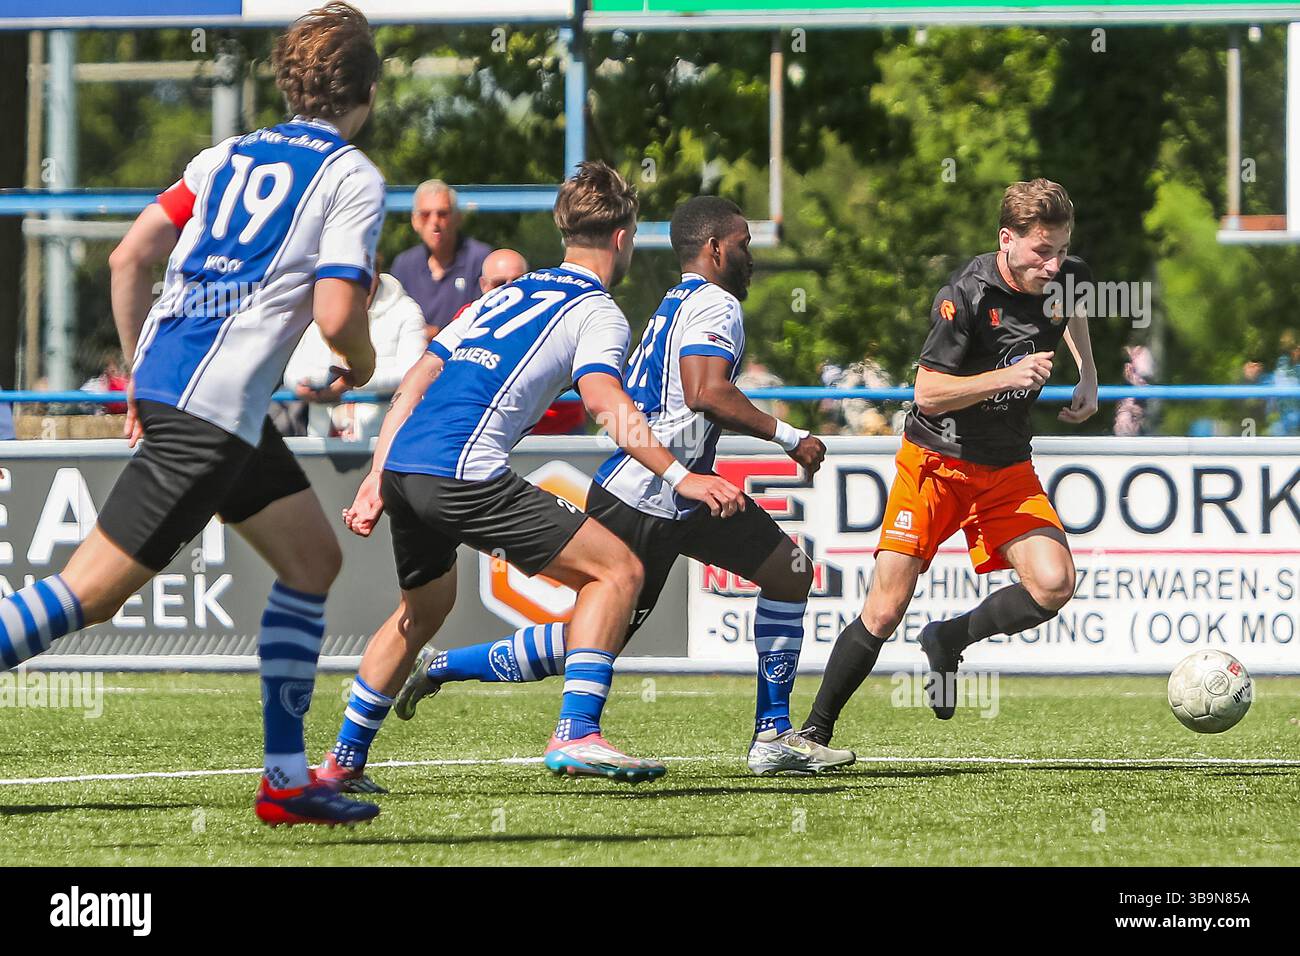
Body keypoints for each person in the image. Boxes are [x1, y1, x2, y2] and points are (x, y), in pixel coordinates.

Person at [0, 2, 386, 827]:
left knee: (313, 562)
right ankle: (285, 780)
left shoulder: (228, 155)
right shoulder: (352, 176)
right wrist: (362, 359)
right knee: (85, 595)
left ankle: (286, 780)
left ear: (291, 82)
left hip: (205, 401)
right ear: (370, 90)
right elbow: (333, 311)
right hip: (214, 414)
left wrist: (142, 372)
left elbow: (129, 253)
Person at [387, 196, 856, 779]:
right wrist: (790, 435)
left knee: (788, 571)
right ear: (714, 249)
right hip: (651, 494)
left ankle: (772, 734)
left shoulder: (677, 298)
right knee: (591, 637)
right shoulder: (716, 303)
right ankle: (446, 668)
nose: (750, 255)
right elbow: (704, 390)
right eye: (743, 243)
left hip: (681, 494)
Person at [316, 164, 745, 791]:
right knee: (618, 571)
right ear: (624, 238)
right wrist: (682, 476)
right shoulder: (598, 311)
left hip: (409, 463)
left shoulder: (505, 293)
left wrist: (380, 474)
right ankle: (578, 733)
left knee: (424, 608)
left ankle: (341, 764)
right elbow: (605, 403)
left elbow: (415, 382)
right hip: (463, 468)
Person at [801, 178, 1099, 743]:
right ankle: (813, 734)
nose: (1055, 264)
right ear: (1006, 239)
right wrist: (1007, 377)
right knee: (885, 610)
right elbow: (927, 392)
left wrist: (1087, 374)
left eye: (1061, 249)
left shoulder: (1069, 275)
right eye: (1042, 251)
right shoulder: (966, 293)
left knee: (1055, 583)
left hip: (1007, 466)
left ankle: (949, 639)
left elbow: (1075, 308)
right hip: (935, 463)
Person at [284, 265, 427, 440]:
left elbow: (415, 373)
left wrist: (348, 383)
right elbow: (291, 374)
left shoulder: (406, 311)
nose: (350, 286)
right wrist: (310, 386)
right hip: (321, 443)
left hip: (379, 444)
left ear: (375, 272)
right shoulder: (325, 313)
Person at [390, 180, 491, 337]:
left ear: (458, 218)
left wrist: (435, 334)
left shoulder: (481, 260)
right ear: (414, 221)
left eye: (443, 214)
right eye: (425, 215)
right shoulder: (404, 265)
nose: (434, 222)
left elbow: (486, 323)